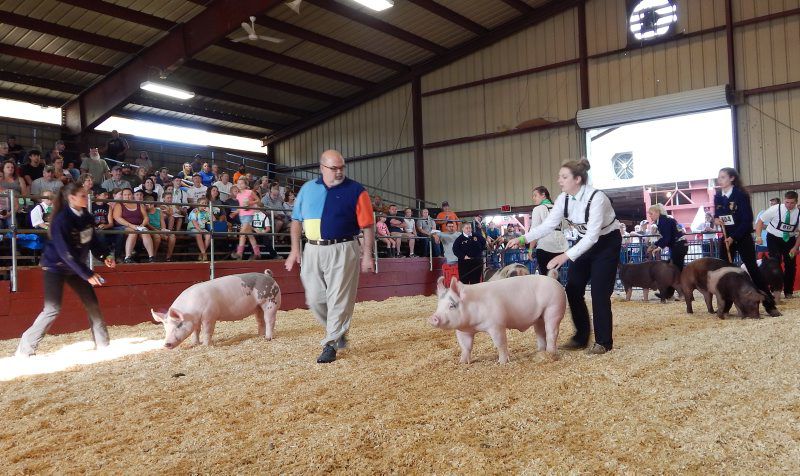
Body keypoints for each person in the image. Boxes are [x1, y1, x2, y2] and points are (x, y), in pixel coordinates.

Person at [508, 158, 621, 355]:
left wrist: (565, 256)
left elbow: (593, 236)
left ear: (577, 179)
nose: (559, 180)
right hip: (583, 243)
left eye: (564, 177)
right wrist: (523, 238)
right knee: (573, 288)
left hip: (606, 243)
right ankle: (581, 336)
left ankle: (603, 342)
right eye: (560, 176)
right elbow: (547, 225)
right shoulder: (563, 199)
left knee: (599, 293)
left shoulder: (597, 198)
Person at [285, 149, 374, 364]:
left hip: (343, 248)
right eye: (334, 168)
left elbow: (368, 226)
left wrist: (367, 255)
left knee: (339, 297)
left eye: (342, 167)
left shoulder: (356, 191)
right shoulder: (307, 190)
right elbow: (296, 221)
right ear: (322, 168)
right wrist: (294, 249)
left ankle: (331, 342)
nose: (339, 171)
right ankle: (338, 329)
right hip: (312, 249)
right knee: (315, 298)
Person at [15, 183, 116, 357]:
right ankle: (25, 349)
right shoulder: (61, 220)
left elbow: (93, 241)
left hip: (76, 267)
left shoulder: (87, 217)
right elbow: (64, 252)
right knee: (52, 309)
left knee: (92, 303)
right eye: (83, 195)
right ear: (72, 198)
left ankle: (103, 344)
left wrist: (105, 255)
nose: (87, 197)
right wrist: (87, 273)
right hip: (55, 266)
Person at [714, 167, 781, 316]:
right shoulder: (718, 196)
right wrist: (716, 220)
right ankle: (725, 306)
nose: (720, 180)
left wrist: (734, 237)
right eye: (719, 177)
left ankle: (769, 304)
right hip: (726, 238)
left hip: (742, 237)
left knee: (753, 269)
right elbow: (716, 214)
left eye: (723, 177)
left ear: (732, 178)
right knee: (725, 272)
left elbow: (747, 220)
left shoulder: (741, 195)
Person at [755, 190, 800, 299]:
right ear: (784, 200)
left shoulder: (799, 213)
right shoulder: (775, 209)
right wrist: (758, 236)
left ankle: (788, 292)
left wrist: (795, 247)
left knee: (791, 265)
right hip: (773, 238)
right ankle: (775, 290)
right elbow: (760, 221)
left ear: (796, 202)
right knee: (774, 263)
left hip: (789, 240)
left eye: (792, 203)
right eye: (787, 202)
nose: (789, 205)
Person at [529, 186, 569, 276]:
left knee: (546, 276)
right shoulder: (558, 209)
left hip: (545, 246)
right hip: (561, 248)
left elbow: (535, 232)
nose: (533, 198)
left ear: (543, 195)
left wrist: (530, 249)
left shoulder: (538, 209)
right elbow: (565, 226)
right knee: (555, 274)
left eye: (535, 195)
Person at [112, 188, 156, 263]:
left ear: (132, 195)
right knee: (133, 232)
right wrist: (131, 225)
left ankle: (151, 257)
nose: (127, 196)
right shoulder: (119, 205)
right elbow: (117, 218)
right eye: (125, 195)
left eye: (129, 194)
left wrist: (142, 225)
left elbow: (146, 217)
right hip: (124, 226)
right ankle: (127, 257)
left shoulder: (139, 204)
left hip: (138, 226)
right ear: (122, 196)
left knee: (145, 232)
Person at [647, 204, 688, 272]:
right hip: (681, 244)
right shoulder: (668, 219)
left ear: (658, 213)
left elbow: (667, 237)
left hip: (678, 245)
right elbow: (670, 235)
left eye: (651, 214)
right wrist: (654, 245)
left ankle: (680, 281)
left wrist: (657, 247)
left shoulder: (664, 221)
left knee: (676, 268)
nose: (650, 216)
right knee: (677, 266)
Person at [230, 177, 261, 260]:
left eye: (242, 183)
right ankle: (257, 253)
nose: (240, 185)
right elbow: (241, 206)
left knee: (242, 233)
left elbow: (258, 200)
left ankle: (239, 253)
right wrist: (236, 212)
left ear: (246, 184)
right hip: (242, 215)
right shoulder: (238, 195)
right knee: (250, 235)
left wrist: (250, 203)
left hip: (249, 214)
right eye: (238, 183)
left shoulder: (250, 192)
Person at [187, 197, 212, 262]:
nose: (204, 204)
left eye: (205, 203)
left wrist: (210, 212)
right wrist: (200, 230)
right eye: (202, 203)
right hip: (193, 228)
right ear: (198, 204)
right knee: (199, 234)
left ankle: (201, 254)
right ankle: (204, 254)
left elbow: (214, 220)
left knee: (208, 235)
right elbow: (194, 222)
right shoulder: (195, 211)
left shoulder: (206, 212)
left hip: (202, 229)